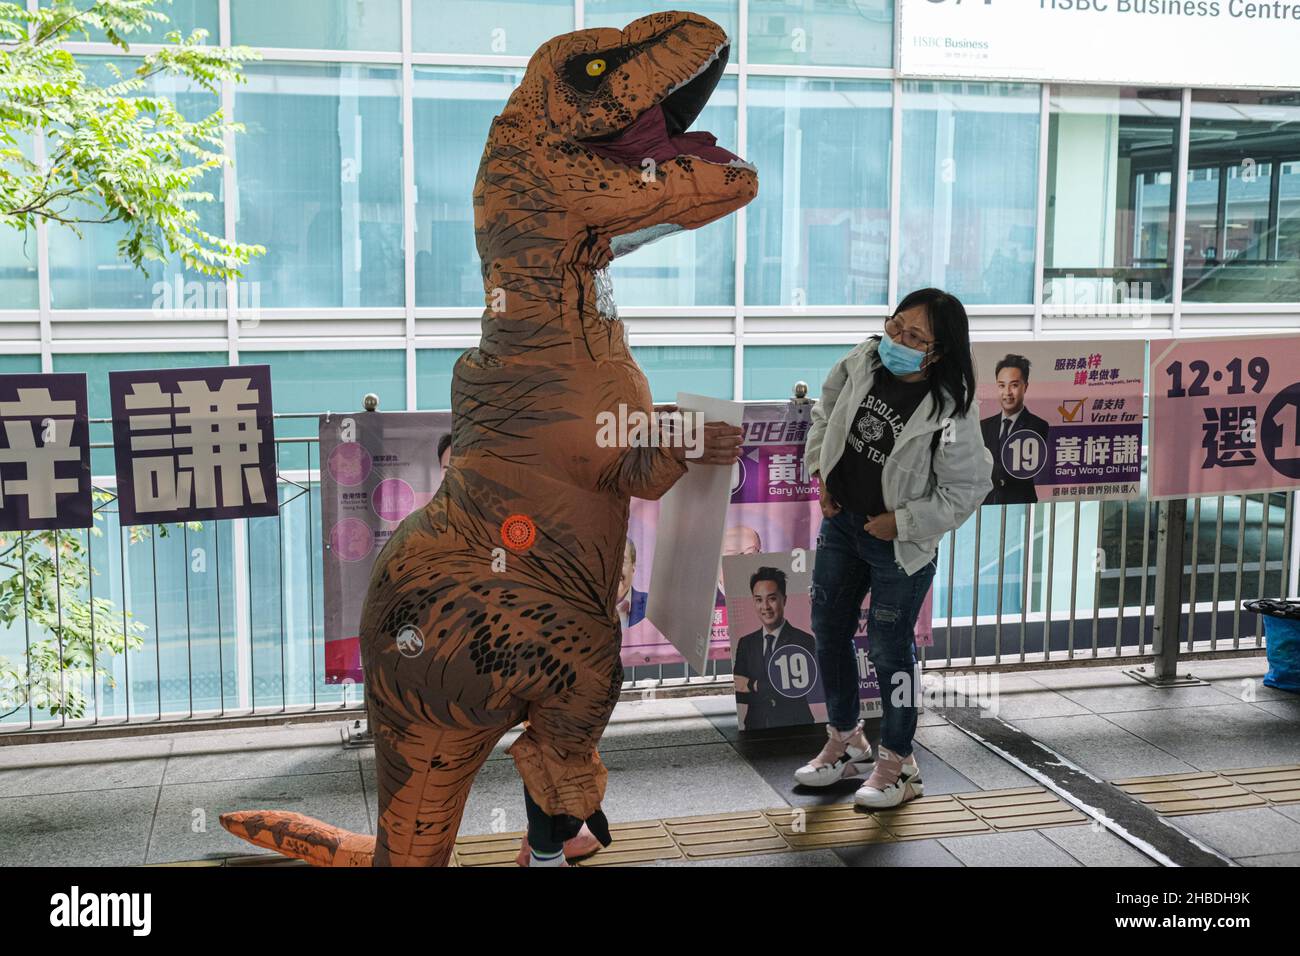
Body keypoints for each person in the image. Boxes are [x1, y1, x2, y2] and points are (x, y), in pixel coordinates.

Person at [799, 288, 992, 808]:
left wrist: (902, 521)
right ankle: (845, 739)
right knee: (828, 630)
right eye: (895, 326)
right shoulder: (863, 359)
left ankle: (899, 762)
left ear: (940, 351)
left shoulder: (951, 411)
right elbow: (825, 413)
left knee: (889, 649)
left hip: (899, 547)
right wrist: (822, 474)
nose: (897, 341)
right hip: (844, 527)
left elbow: (968, 488)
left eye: (915, 337)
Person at [733, 567, 817, 730]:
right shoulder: (746, 643)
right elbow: (739, 692)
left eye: (772, 599)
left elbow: (795, 686)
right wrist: (769, 686)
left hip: (796, 724)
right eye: (758, 600)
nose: (765, 607)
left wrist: (753, 685)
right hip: (755, 725)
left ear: (784, 600)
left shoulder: (803, 640)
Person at [981, 354, 1050, 505]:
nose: (1007, 393)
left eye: (1014, 385)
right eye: (1001, 385)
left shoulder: (1037, 425)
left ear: (1025, 386)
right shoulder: (983, 426)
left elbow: (1015, 469)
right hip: (986, 505)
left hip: (1020, 505)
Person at [616, 537, 648, 629]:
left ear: (633, 566)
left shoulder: (650, 607)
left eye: (621, 561)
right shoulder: (585, 607)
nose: (614, 569)